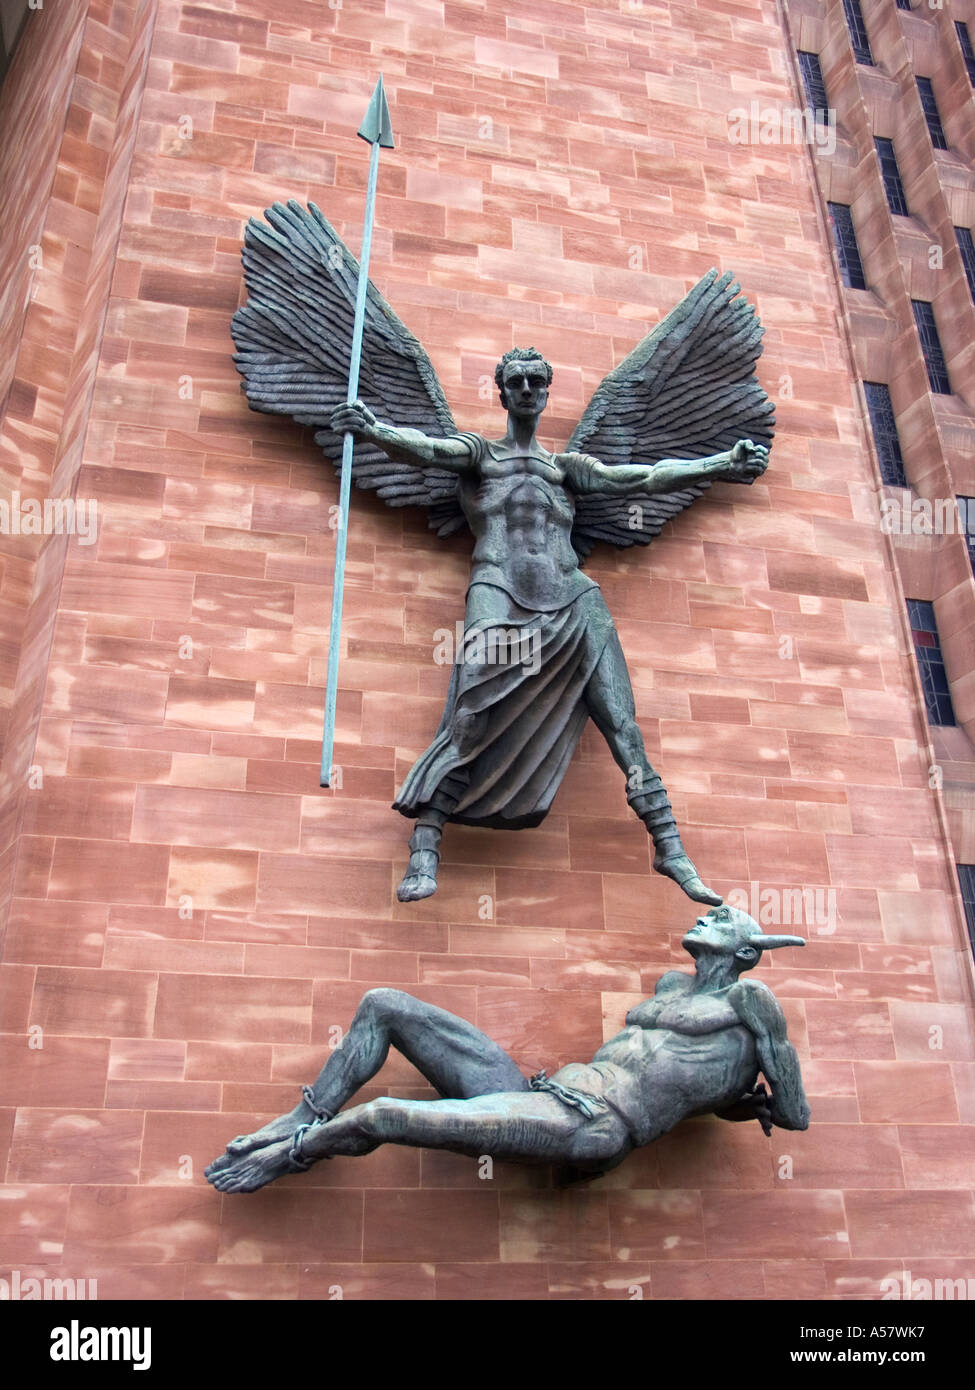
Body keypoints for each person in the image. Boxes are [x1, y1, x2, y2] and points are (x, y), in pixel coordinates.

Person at [329, 349, 767, 906]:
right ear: (502, 391)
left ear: (548, 390)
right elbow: (426, 448)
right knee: (470, 712)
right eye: (518, 381)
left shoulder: (567, 470)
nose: (529, 388)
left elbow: (645, 479)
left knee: (622, 724)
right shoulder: (478, 455)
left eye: (539, 380)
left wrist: (720, 464)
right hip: (498, 589)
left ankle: (669, 846)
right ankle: (426, 840)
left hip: (574, 597)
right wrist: (374, 431)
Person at [206, 905, 809, 1194]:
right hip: (541, 1094)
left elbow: (794, 1113)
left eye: (724, 919)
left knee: (385, 1114)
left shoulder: (752, 1001)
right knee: (385, 1003)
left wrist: (749, 1101)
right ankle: (303, 1116)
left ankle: (286, 1155)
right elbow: (679, 1075)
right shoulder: (672, 987)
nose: (709, 916)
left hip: (594, 1124)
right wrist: (725, 1096)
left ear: (747, 953)